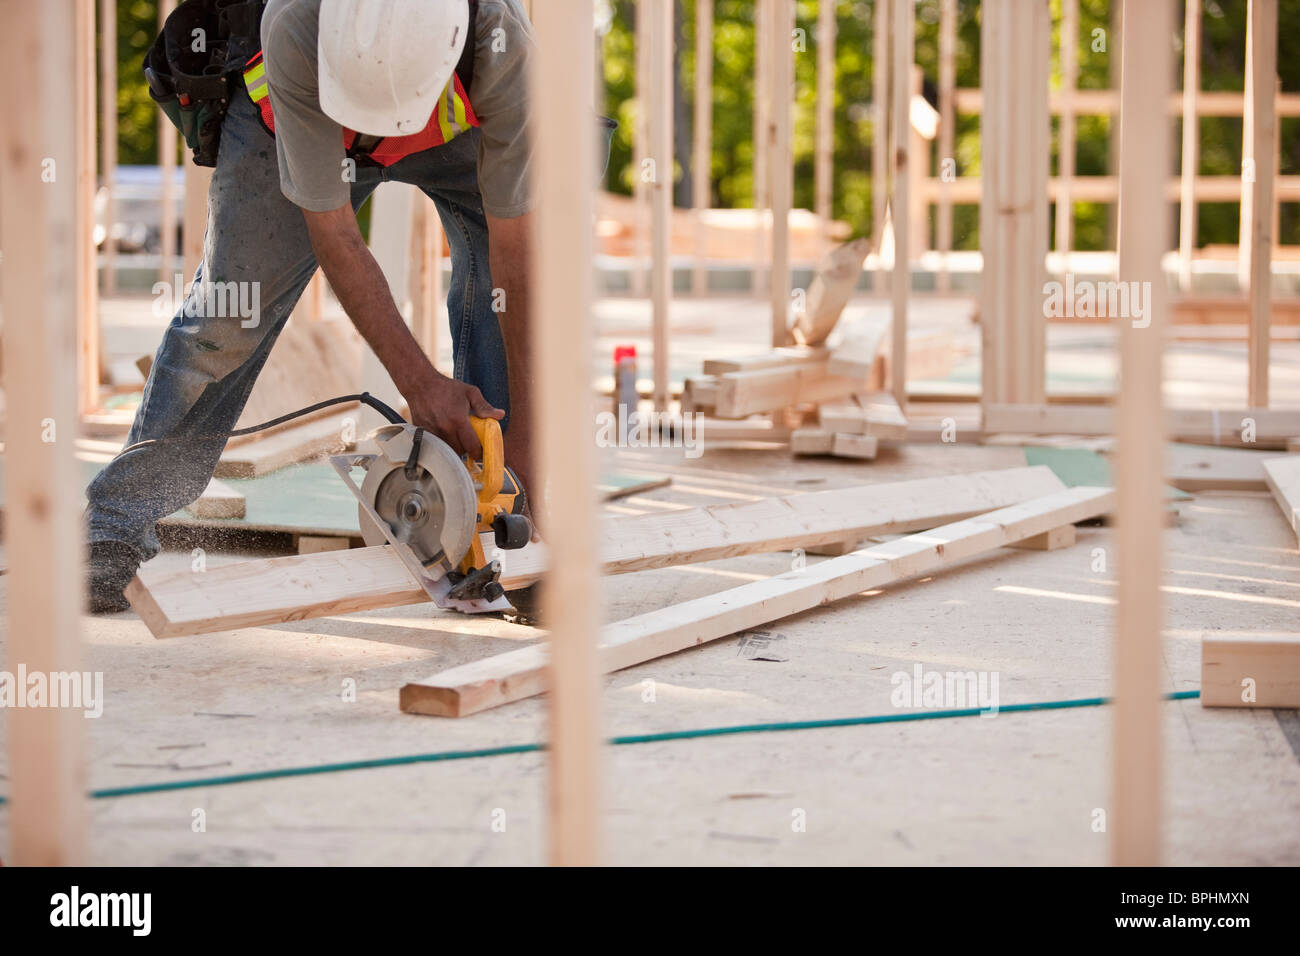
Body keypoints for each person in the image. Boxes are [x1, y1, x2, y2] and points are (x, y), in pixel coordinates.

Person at [86, 0, 538, 612]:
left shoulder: (499, 43)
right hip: (299, 111)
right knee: (228, 315)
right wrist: (419, 382)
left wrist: (534, 446)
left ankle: (505, 508)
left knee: (515, 271)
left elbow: (516, 252)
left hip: (453, 123)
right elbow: (335, 234)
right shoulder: (296, 24)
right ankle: (115, 525)